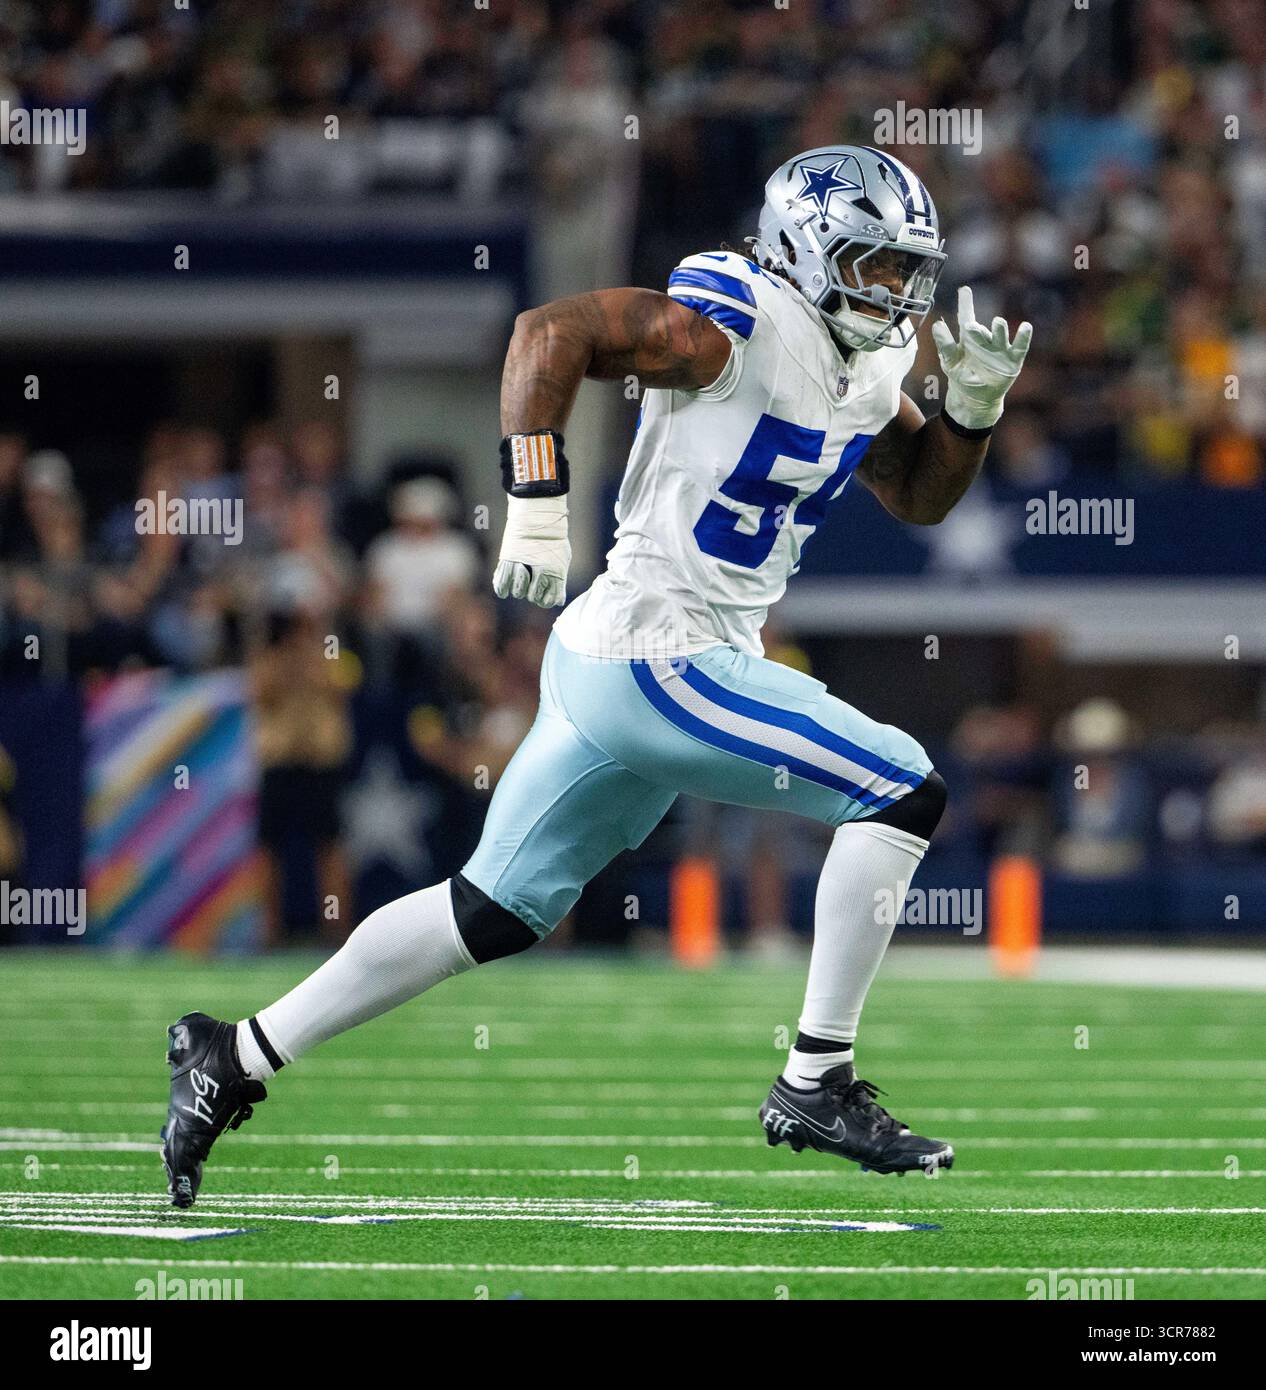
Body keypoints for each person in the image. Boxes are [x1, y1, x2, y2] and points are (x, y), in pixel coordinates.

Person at [161, 145, 1031, 1205]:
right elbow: (551, 332)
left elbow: (920, 494)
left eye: (906, 270)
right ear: (806, 248)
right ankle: (818, 1077)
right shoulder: (738, 319)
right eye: (874, 263)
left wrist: (973, 415)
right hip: (661, 648)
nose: (896, 292)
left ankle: (235, 1055)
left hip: (632, 658)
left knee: (490, 909)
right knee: (903, 785)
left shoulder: (869, 361)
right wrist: (535, 492)